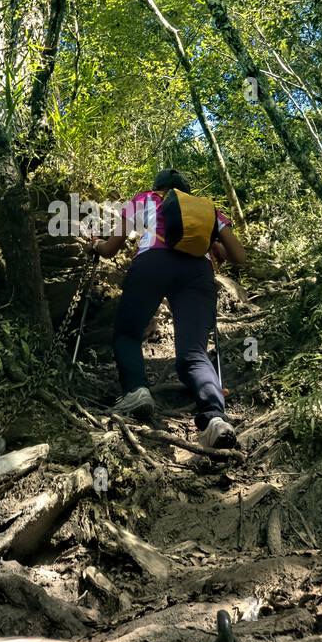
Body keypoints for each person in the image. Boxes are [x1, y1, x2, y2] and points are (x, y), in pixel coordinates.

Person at [89, 169, 248, 449]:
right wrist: (214, 246)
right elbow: (239, 257)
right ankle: (214, 417)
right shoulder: (206, 210)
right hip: (198, 272)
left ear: (157, 185)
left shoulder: (144, 199)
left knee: (127, 334)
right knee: (194, 353)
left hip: (152, 264)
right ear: (187, 192)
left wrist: (96, 246)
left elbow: (112, 248)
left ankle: (137, 390)